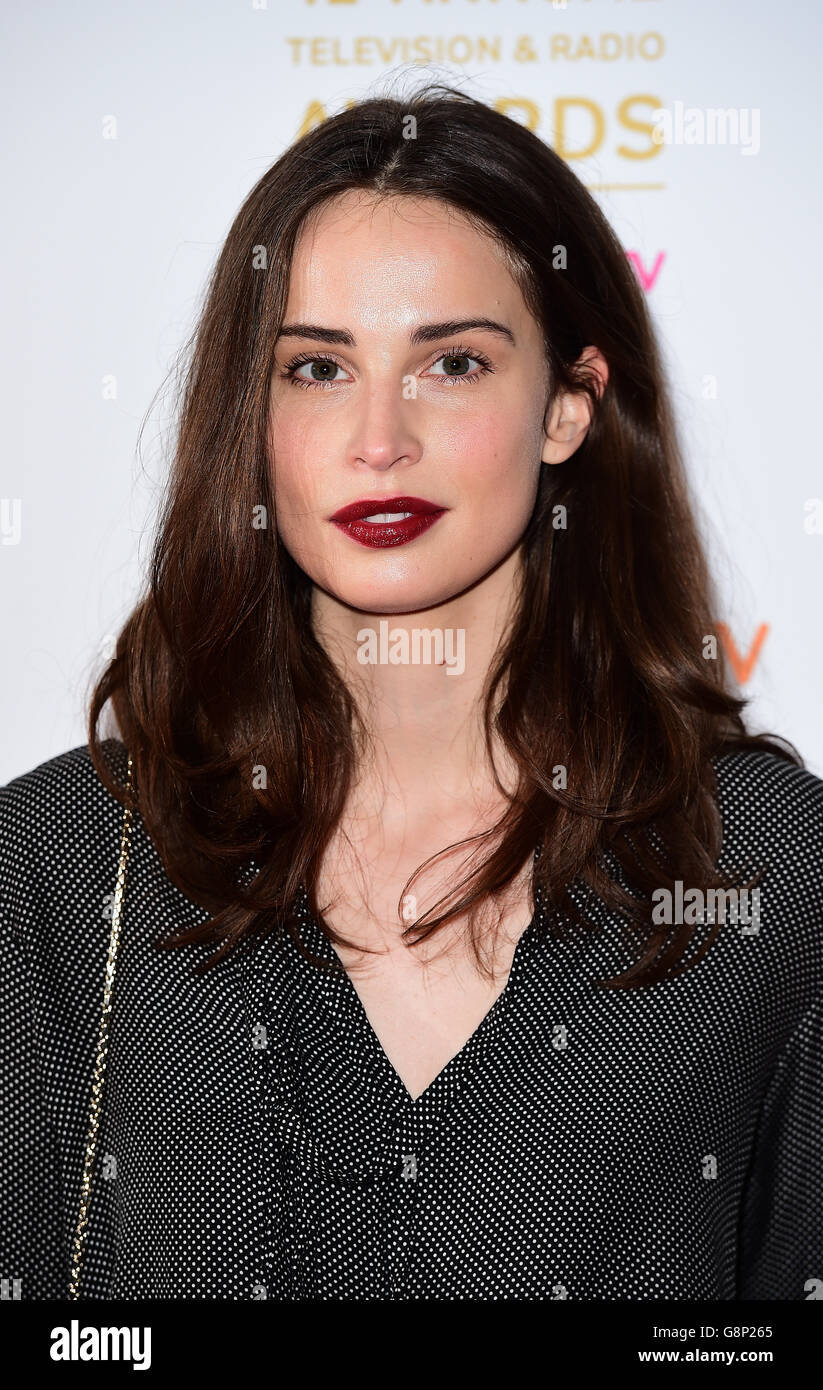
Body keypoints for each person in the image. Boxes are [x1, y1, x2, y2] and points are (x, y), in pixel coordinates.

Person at [2, 83, 821, 1302]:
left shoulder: (759, 869)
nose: (378, 438)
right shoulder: (64, 860)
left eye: (451, 362)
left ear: (568, 404)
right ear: (252, 414)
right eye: (319, 368)